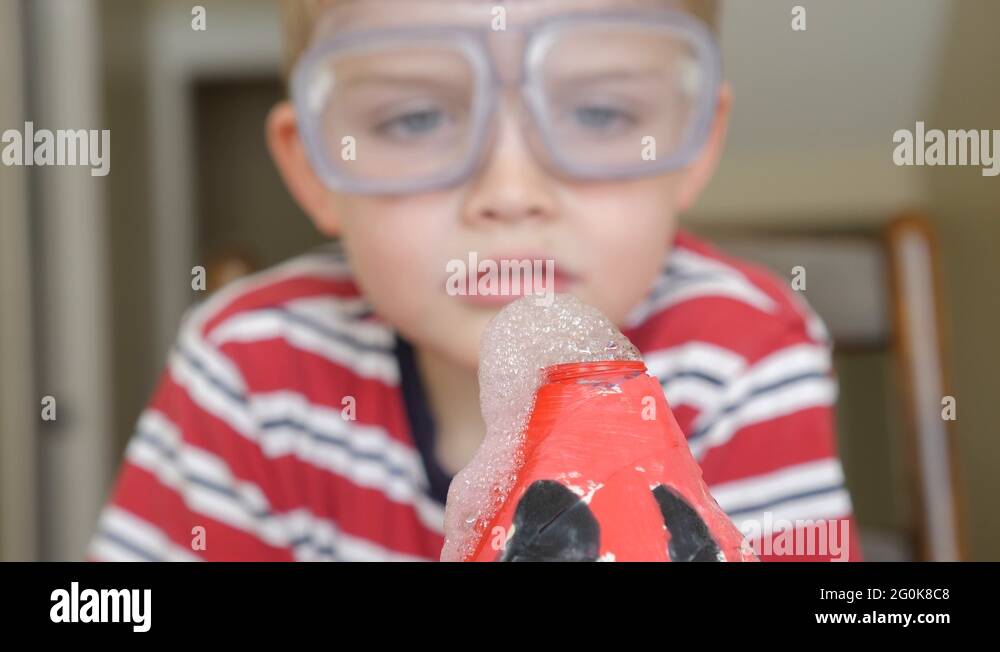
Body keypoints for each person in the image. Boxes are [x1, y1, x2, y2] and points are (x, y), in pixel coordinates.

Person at [90, 0, 861, 562]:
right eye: (415, 119)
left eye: (598, 111)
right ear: (314, 163)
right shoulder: (248, 371)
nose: (512, 189)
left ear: (693, 145)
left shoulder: (746, 359)